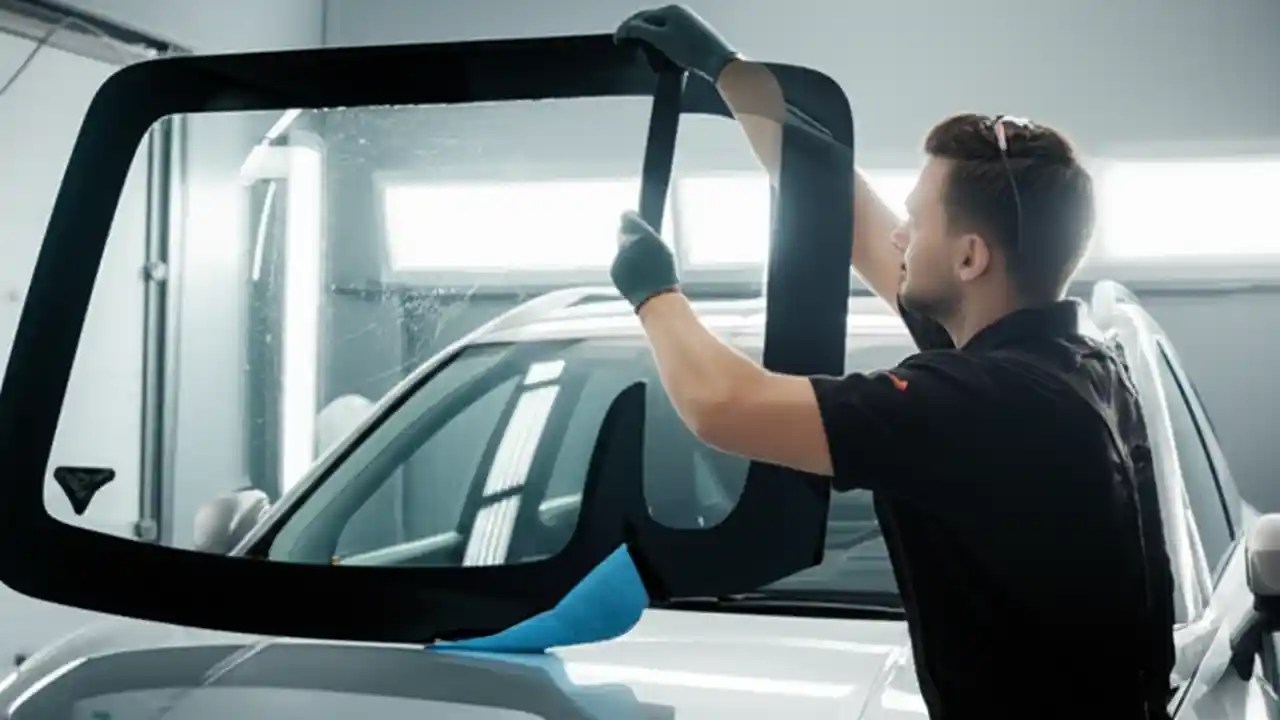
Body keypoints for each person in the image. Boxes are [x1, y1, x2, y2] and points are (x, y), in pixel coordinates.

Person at [612, 5, 1175, 718]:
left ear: (971, 258)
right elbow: (847, 216)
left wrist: (654, 293)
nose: (901, 232)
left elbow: (724, 404)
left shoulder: (982, 407)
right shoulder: (1074, 364)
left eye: (920, 218)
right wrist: (729, 73)